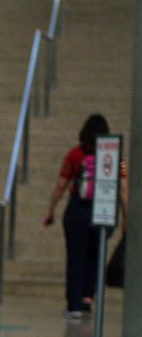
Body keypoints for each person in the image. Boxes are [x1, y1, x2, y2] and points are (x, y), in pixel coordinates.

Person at [43, 113, 124, 319]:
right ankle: (88, 297)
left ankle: (74, 305)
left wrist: (51, 210)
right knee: (96, 255)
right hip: (104, 209)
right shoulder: (117, 158)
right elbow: (123, 187)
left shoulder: (74, 154)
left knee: (75, 257)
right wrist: (126, 217)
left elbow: (61, 185)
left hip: (77, 210)